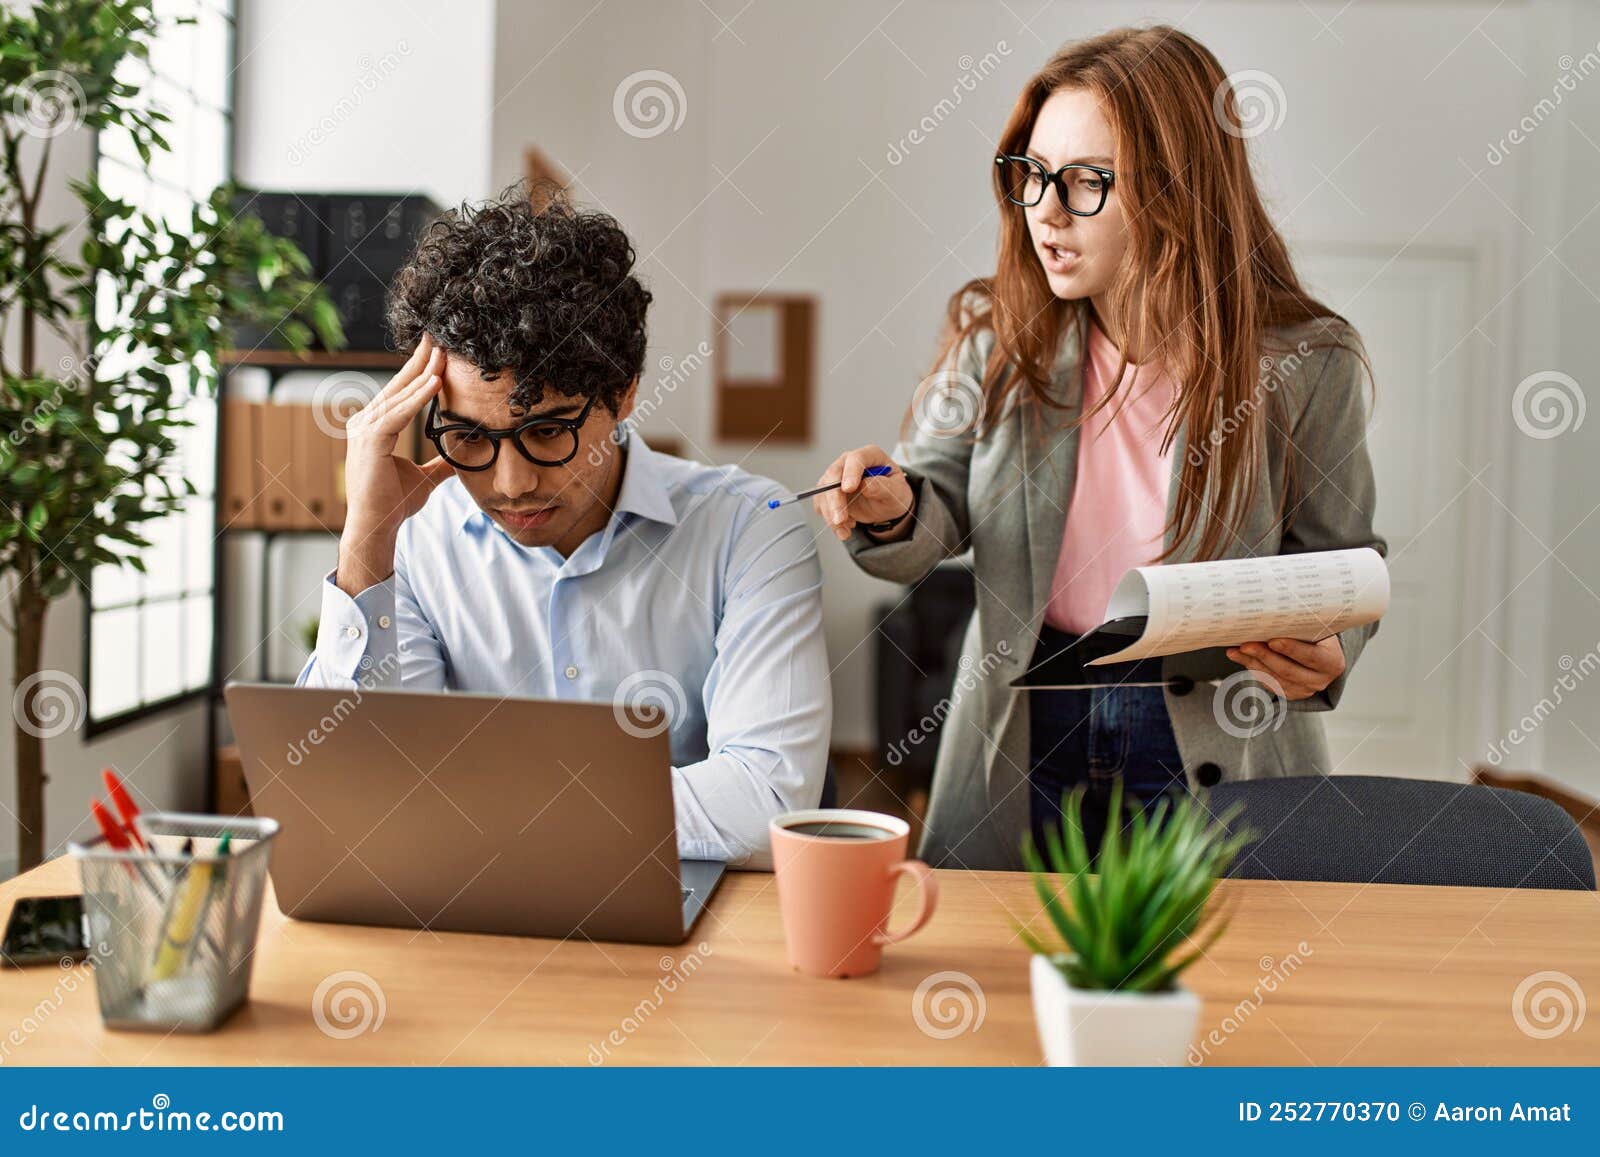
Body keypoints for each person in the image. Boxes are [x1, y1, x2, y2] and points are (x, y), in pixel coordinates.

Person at [814, 26, 1386, 871]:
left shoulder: (1306, 361)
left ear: (1176, 190)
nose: (1044, 209)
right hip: (1027, 721)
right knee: (1003, 976)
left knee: (1224, 990)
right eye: (1033, 175)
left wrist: (1336, 644)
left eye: (1084, 183)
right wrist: (893, 506)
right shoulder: (994, 337)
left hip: (1212, 727)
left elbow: (1345, 559)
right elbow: (932, 505)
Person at [297, 189, 830, 867]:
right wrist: (364, 545)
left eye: (547, 431)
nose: (511, 483)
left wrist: (493, 808)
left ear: (625, 391)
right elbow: (352, 793)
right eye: (467, 436)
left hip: (689, 932)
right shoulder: (414, 541)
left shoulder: (752, 528)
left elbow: (766, 802)